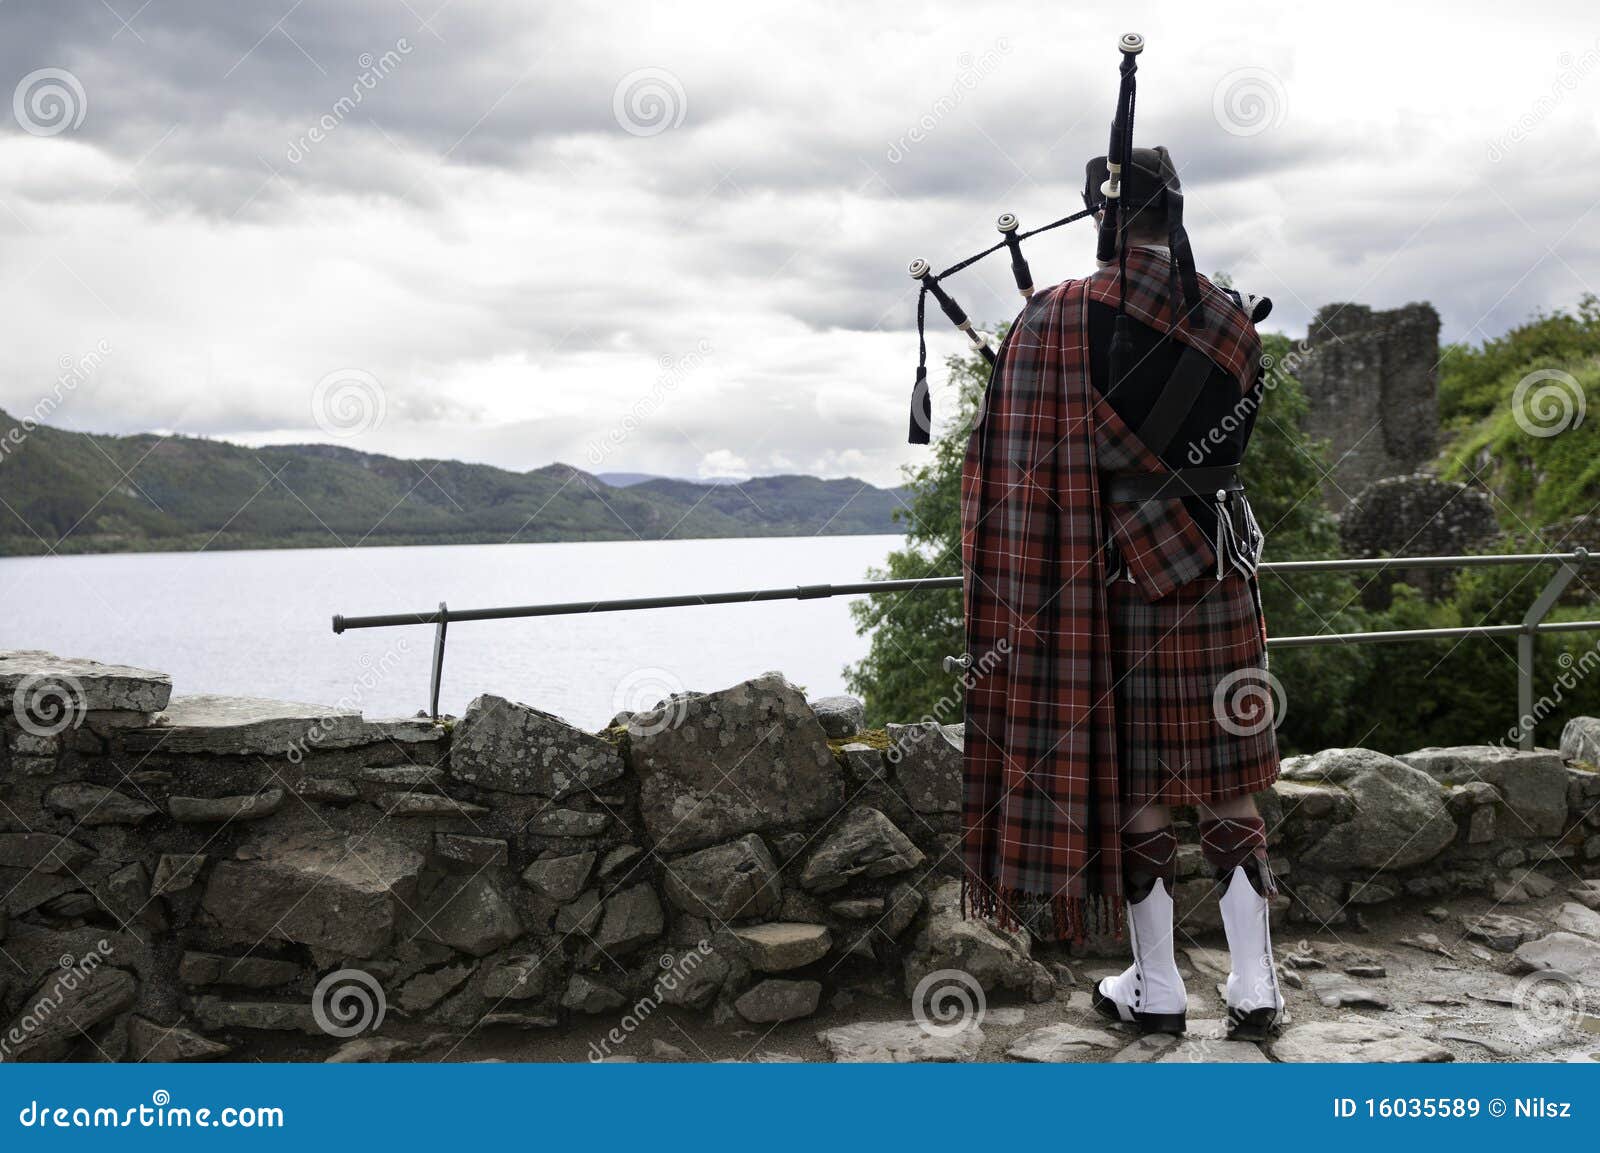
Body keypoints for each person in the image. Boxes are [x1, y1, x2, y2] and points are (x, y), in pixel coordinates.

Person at [959, 145, 1284, 1041]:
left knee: (1139, 782)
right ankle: (1256, 988)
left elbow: (1017, 466)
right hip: (1218, 575)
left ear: (1098, 214)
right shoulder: (1229, 319)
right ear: (1175, 210)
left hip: (1120, 585)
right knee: (1228, 784)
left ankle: (1160, 986)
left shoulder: (1056, 315)